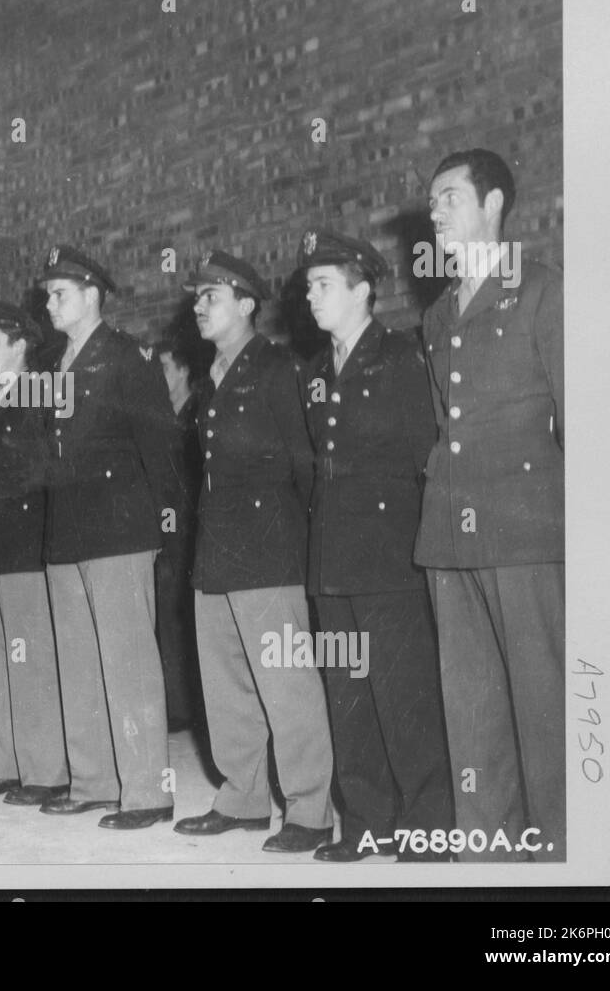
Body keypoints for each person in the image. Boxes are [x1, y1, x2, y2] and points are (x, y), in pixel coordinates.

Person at [417, 148, 565, 861]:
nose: (436, 212)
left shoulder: (541, 290)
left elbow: (579, 420)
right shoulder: (438, 311)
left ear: (494, 203)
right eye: (433, 201)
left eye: (449, 197)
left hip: (526, 524)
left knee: (544, 707)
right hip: (449, 528)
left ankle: (566, 855)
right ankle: (487, 856)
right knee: (470, 707)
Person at [301, 228, 454, 862]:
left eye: (324, 285)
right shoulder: (313, 373)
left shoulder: (400, 357)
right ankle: (366, 823)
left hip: (390, 554)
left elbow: (427, 453)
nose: (311, 297)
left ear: (363, 291)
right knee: (349, 696)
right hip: (331, 558)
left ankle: (427, 826)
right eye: (308, 286)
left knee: (403, 695)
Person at [175, 251, 334, 852]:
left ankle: (310, 809)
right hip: (216, 550)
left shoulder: (276, 369)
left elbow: (306, 465)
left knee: (287, 686)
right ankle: (241, 798)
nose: (198, 306)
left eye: (210, 296)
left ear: (246, 304)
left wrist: (300, 548)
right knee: (226, 684)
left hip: (268, 553)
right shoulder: (209, 376)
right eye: (196, 296)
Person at [38, 246, 176, 830]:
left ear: (92, 294)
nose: (48, 303)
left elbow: (161, 446)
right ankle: (92, 779)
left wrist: (166, 521)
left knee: (127, 662)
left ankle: (147, 790)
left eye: (58, 293)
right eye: (47, 294)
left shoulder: (126, 358)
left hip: (119, 528)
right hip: (65, 529)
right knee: (77, 660)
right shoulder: (50, 363)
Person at [0, 302, 70, 805]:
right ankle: (7, 765)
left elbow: (46, 473)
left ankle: (46, 771)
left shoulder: (40, 394)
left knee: (28, 661)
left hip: (26, 544)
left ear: (20, 346)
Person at [153, 336, 203, 733]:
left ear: (183, 370)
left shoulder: (196, 413)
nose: (159, 376)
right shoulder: (162, 415)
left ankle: (187, 707)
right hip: (165, 528)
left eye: (166, 367)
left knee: (182, 616)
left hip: (188, 527)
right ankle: (175, 704)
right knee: (166, 616)